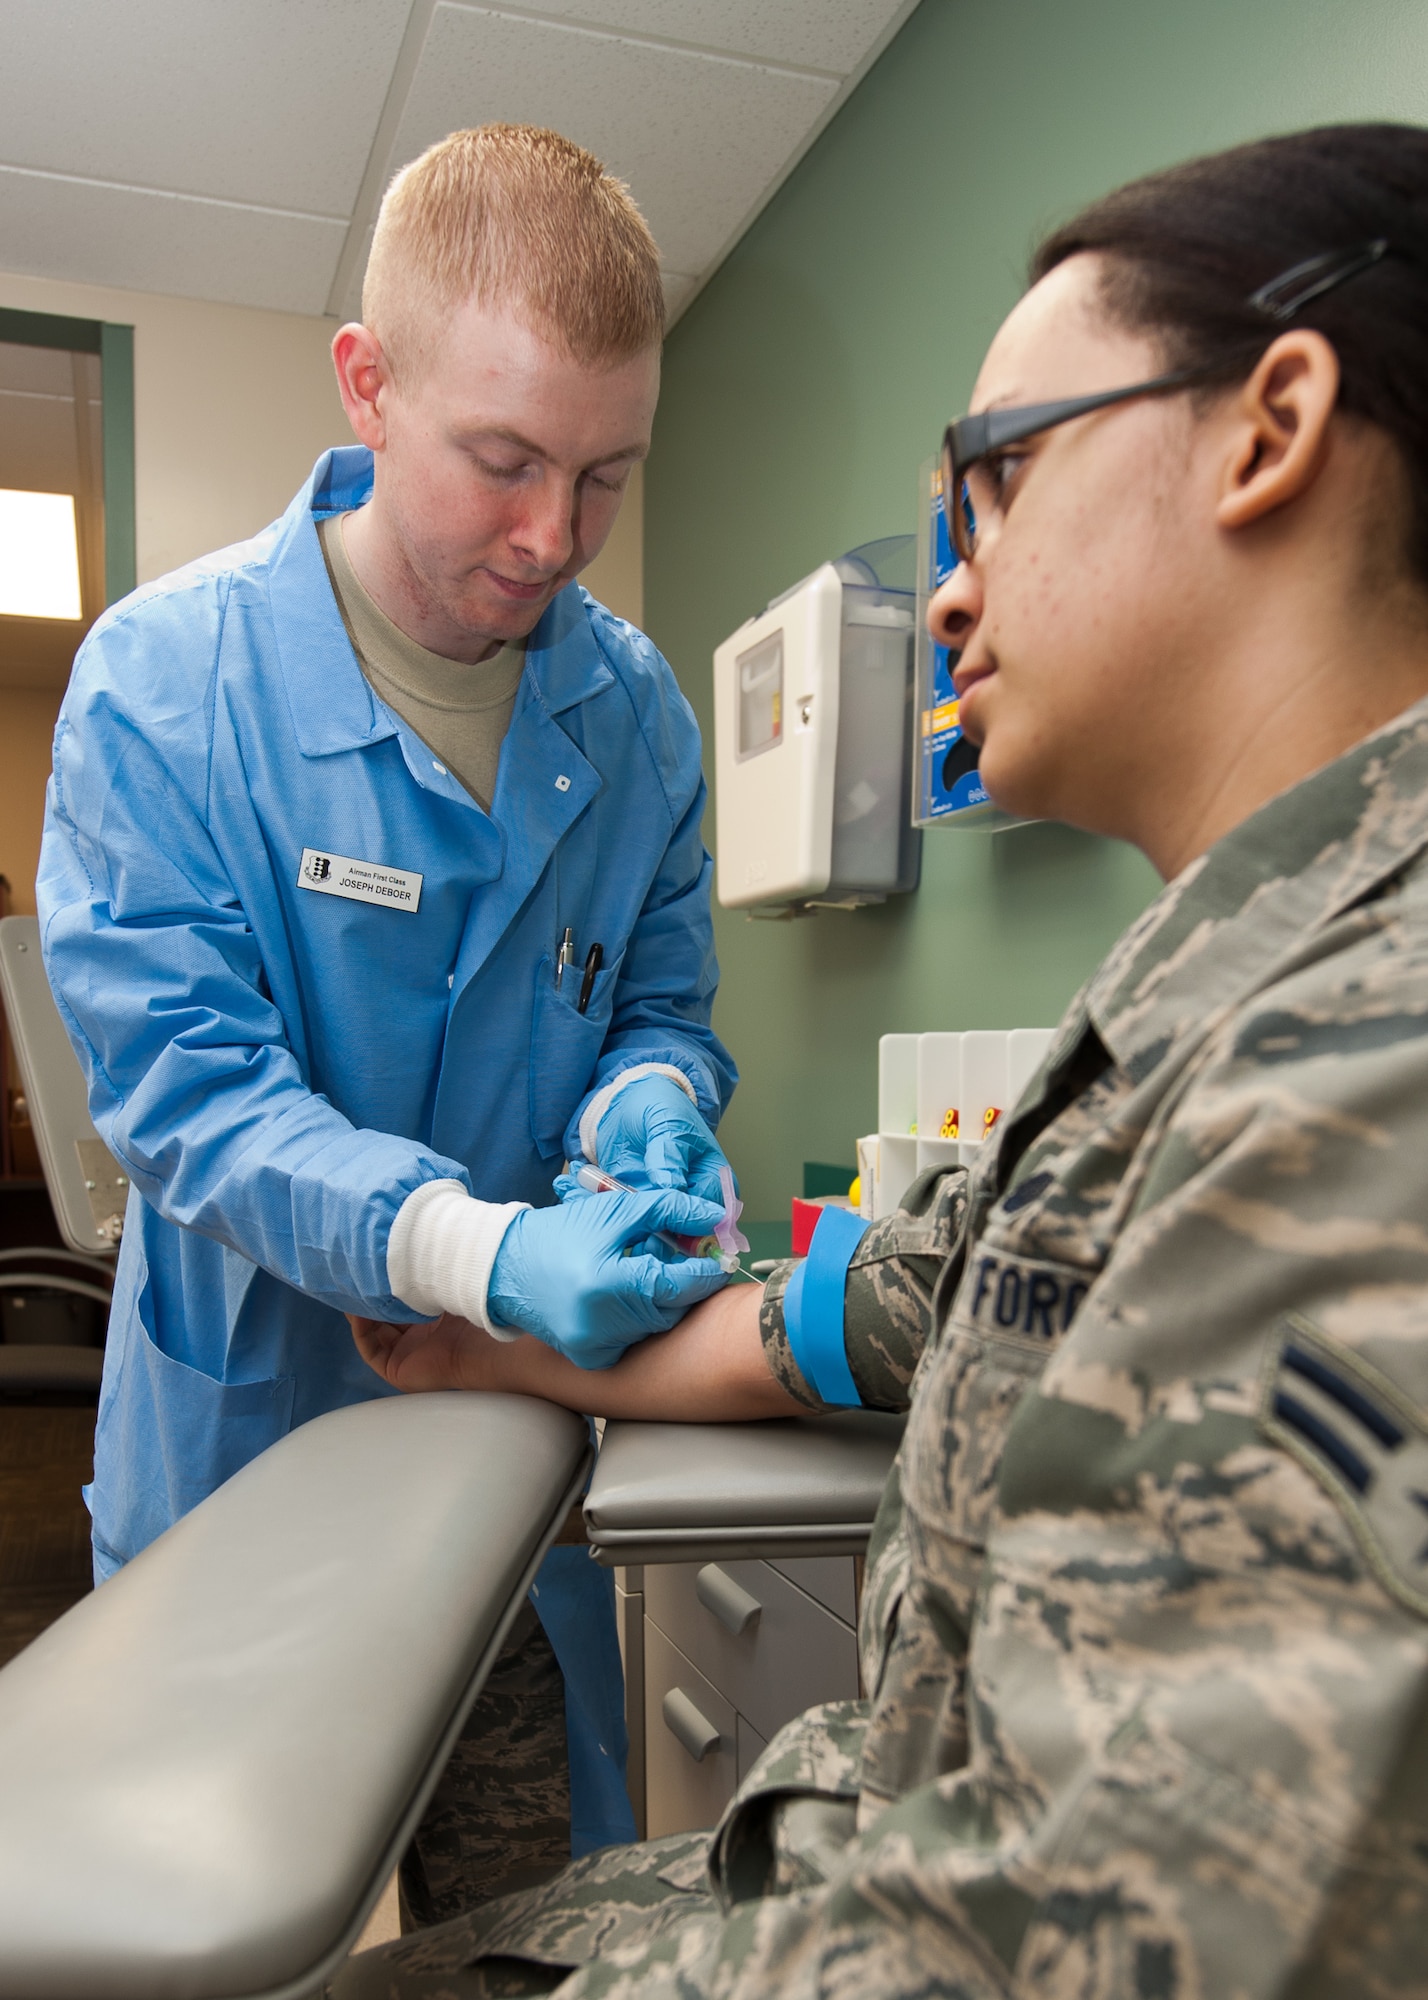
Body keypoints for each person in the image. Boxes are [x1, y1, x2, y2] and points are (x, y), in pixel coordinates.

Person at [332, 123, 1428, 1997]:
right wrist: (489, 1319)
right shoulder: (1217, 993)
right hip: (875, 1840)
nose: (944, 587)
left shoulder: (1363, 1089)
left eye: (996, 480)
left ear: (1268, 429)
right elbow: (881, 1311)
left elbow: (1086, 1939)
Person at [37, 125, 740, 1916]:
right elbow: (191, 1098)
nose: (551, 539)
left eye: (605, 476)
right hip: (247, 1465)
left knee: (519, 1917)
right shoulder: (162, 687)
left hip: (515, 1466)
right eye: (502, 460)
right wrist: (477, 1247)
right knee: (216, 1922)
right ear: (368, 385)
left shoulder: (637, 718)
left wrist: (653, 1091)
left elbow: (660, 998)